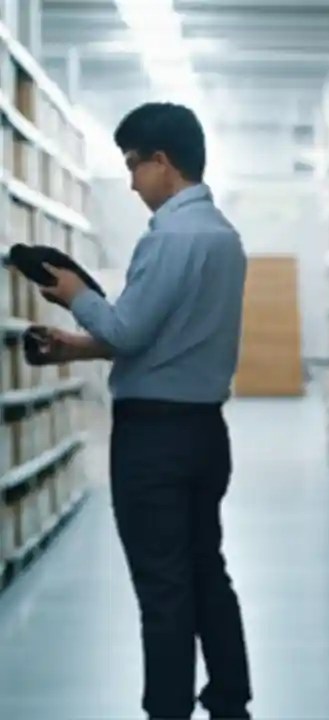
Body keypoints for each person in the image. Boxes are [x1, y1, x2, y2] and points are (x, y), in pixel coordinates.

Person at [36, 102, 252, 720]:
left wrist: (77, 297)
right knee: (206, 569)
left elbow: (129, 333)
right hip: (205, 434)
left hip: (152, 442)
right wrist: (77, 348)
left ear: (164, 162)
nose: (130, 182)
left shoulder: (170, 239)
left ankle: (166, 711)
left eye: (134, 166)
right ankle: (230, 701)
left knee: (162, 587)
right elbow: (167, 336)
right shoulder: (223, 237)